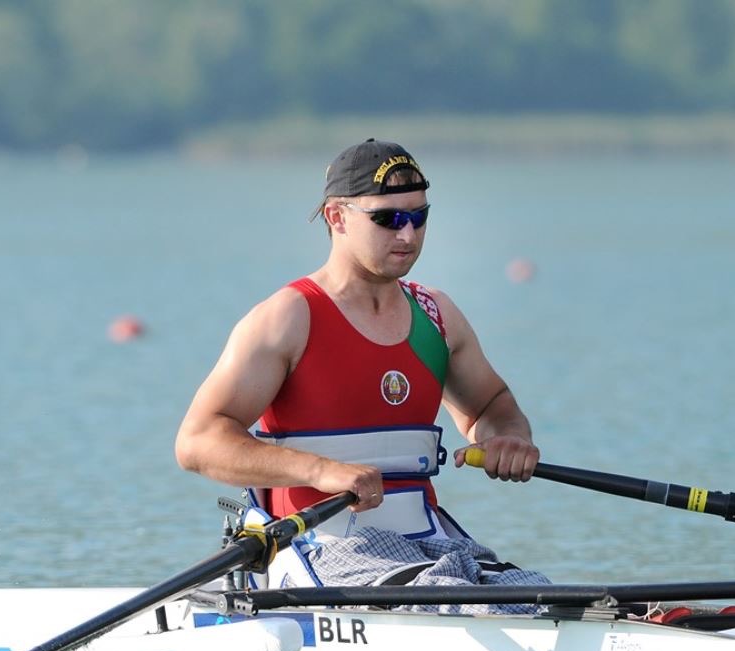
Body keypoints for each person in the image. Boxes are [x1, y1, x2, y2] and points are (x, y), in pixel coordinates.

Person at [174, 138, 549, 609]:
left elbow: (492, 407)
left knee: (545, 597)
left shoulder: (437, 315)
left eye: (419, 216)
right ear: (337, 217)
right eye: (388, 219)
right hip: (317, 546)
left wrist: (505, 438)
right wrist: (321, 471)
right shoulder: (289, 317)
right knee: (460, 603)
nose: (408, 235)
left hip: (429, 544)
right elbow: (198, 442)